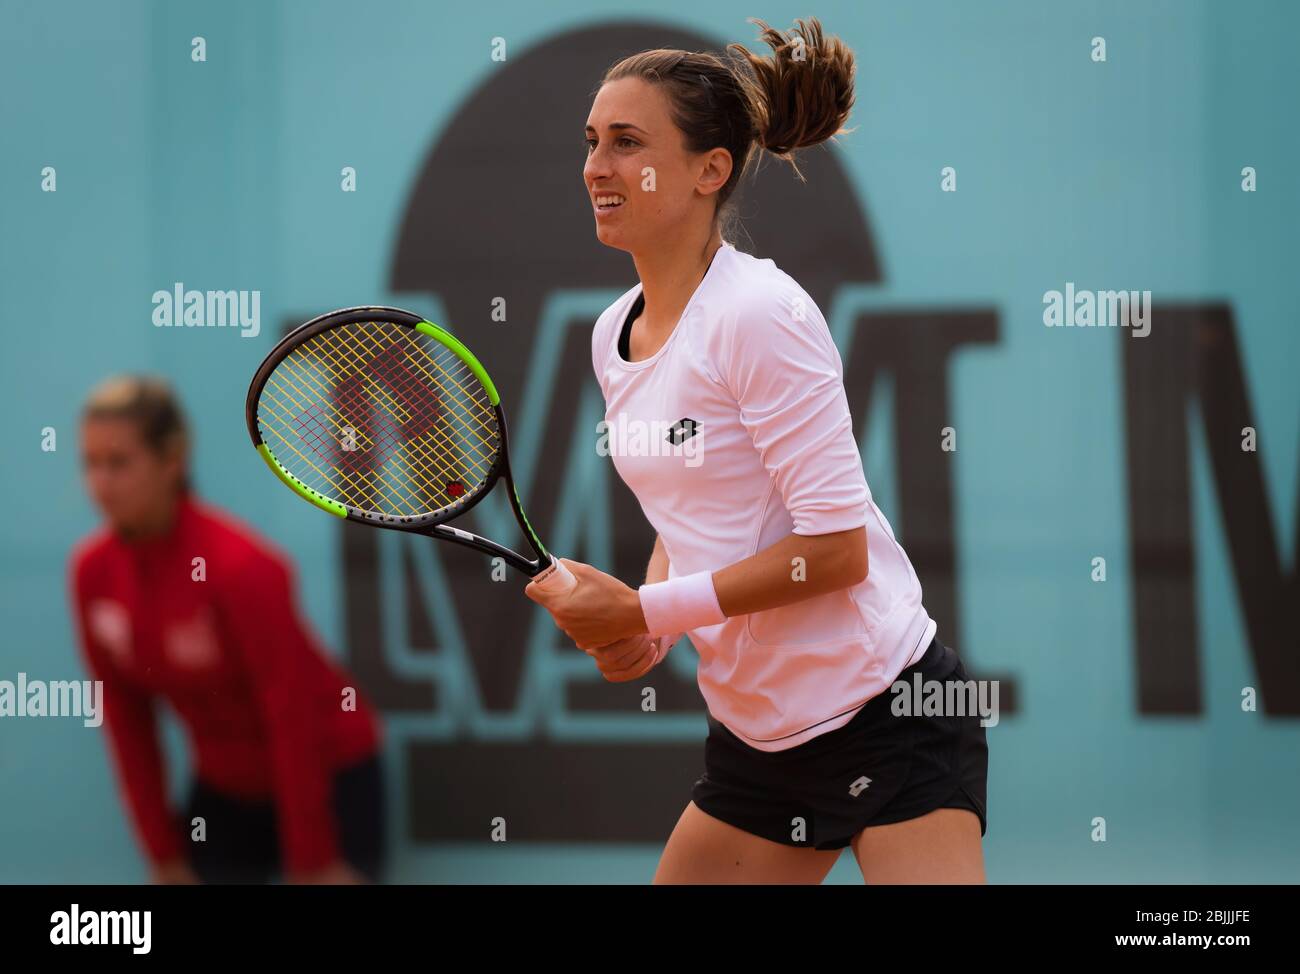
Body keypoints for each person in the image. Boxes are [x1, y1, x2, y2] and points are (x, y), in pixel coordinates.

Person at [526, 17, 988, 884]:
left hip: (889, 716)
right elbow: (691, 519)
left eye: (628, 144)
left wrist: (645, 613)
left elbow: (837, 552)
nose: (596, 167)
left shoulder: (759, 315)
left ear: (712, 169)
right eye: (591, 142)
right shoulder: (608, 336)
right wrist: (652, 623)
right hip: (757, 742)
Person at [69, 375, 385, 884]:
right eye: (91, 464)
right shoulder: (91, 574)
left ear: (172, 460)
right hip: (223, 789)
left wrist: (312, 860)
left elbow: (290, 713)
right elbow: (126, 719)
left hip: (327, 775)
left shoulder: (240, 567)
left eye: (119, 463)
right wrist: (163, 855)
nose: (99, 483)